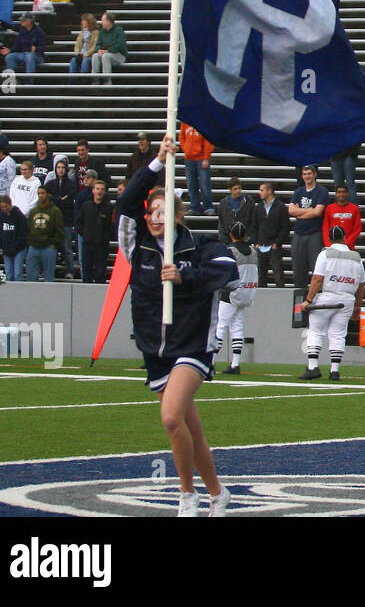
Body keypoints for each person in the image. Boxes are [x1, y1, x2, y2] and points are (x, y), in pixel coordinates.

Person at [117, 133, 237, 516]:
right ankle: (218, 493)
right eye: (150, 212)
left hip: (191, 343)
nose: (153, 217)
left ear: (178, 215)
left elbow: (226, 272)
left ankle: (187, 494)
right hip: (155, 347)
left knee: (171, 417)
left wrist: (184, 274)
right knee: (190, 428)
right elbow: (124, 204)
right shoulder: (138, 248)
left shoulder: (200, 246)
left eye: (162, 211)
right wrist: (156, 161)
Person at [213, 222, 257, 376]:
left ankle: (210, 362)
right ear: (245, 235)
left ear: (231, 234)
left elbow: (223, 272)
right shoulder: (253, 251)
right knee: (236, 326)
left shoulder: (230, 251)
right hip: (247, 292)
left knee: (220, 325)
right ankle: (235, 363)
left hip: (231, 292)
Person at [289, 165, 329, 288]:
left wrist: (299, 212)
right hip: (299, 234)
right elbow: (291, 211)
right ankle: (299, 299)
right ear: (302, 176)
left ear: (315, 174)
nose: (307, 176)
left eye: (309, 173)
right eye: (305, 174)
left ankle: (316, 297)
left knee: (316, 267)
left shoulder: (322, 191)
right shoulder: (298, 192)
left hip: (314, 234)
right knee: (298, 268)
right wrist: (308, 211)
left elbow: (318, 212)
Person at [45, 158, 78, 277]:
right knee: (50, 247)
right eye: (58, 167)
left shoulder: (71, 184)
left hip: (66, 220)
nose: (60, 170)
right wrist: (59, 199)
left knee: (67, 248)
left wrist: (56, 200)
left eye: (63, 168)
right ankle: (49, 271)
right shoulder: (50, 184)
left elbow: (69, 202)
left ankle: (70, 271)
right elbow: (48, 200)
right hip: (52, 221)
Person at [24, 186, 64, 282]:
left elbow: (60, 230)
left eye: (43, 193)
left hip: (48, 248)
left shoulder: (55, 211)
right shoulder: (33, 211)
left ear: (48, 195)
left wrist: (54, 244)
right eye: (39, 193)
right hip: (34, 247)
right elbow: (28, 228)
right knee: (31, 277)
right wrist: (30, 241)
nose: (41, 195)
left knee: (48, 277)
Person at [253, 181, 289, 288]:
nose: (260, 193)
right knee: (260, 276)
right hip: (261, 245)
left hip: (273, 246)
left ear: (269, 191)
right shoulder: (258, 207)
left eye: (262, 190)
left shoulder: (281, 207)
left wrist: (277, 243)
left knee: (278, 275)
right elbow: (254, 226)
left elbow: (285, 227)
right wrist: (256, 242)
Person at [76, 179, 112, 283]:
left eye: (102, 189)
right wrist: (85, 234)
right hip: (87, 245)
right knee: (87, 273)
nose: (99, 191)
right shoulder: (86, 206)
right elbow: (78, 222)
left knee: (100, 273)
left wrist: (105, 237)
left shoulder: (109, 208)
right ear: (93, 190)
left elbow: (112, 226)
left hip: (102, 246)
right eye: (97, 189)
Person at [179, 122, 214, 216]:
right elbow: (181, 136)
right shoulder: (185, 122)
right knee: (191, 184)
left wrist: (206, 157)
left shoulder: (202, 120)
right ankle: (194, 206)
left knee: (204, 184)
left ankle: (208, 206)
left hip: (201, 158)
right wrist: (185, 149)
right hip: (189, 158)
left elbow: (208, 139)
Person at [0, 195, 27, 280]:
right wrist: (3, 246)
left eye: (6, 206)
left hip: (18, 249)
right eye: (2, 207)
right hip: (6, 249)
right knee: (8, 274)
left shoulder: (18, 215)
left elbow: (23, 233)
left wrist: (15, 247)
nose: (4, 209)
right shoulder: (1, 216)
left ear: (10, 204)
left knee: (18, 273)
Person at [216, 177, 255, 246]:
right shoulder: (223, 203)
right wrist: (223, 238)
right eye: (235, 189)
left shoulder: (249, 201)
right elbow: (221, 222)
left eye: (239, 188)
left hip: (245, 239)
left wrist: (249, 236)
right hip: (229, 240)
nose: (238, 191)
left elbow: (253, 220)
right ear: (230, 190)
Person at [91, 11, 127, 85]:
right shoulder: (102, 32)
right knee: (95, 56)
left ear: (109, 21)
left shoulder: (119, 30)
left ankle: (107, 80)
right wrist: (99, 50)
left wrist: (108, 51)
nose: (102, 22)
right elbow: (98, 44)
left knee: (106, 56)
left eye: (103, 20)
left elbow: (120, 45)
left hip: (119, 55)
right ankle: (95, 80)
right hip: (105, 53)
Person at [322, 184, 362, 250]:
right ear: (336, 194)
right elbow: (325, 227)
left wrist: (347, 242)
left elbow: (357, 228)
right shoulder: (329, 208)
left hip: (349, 247)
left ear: (348, 194)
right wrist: (328, 244)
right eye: (339, 192)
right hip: (333, 246)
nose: (341, 194)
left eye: (343, 192)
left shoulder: (354, 208)